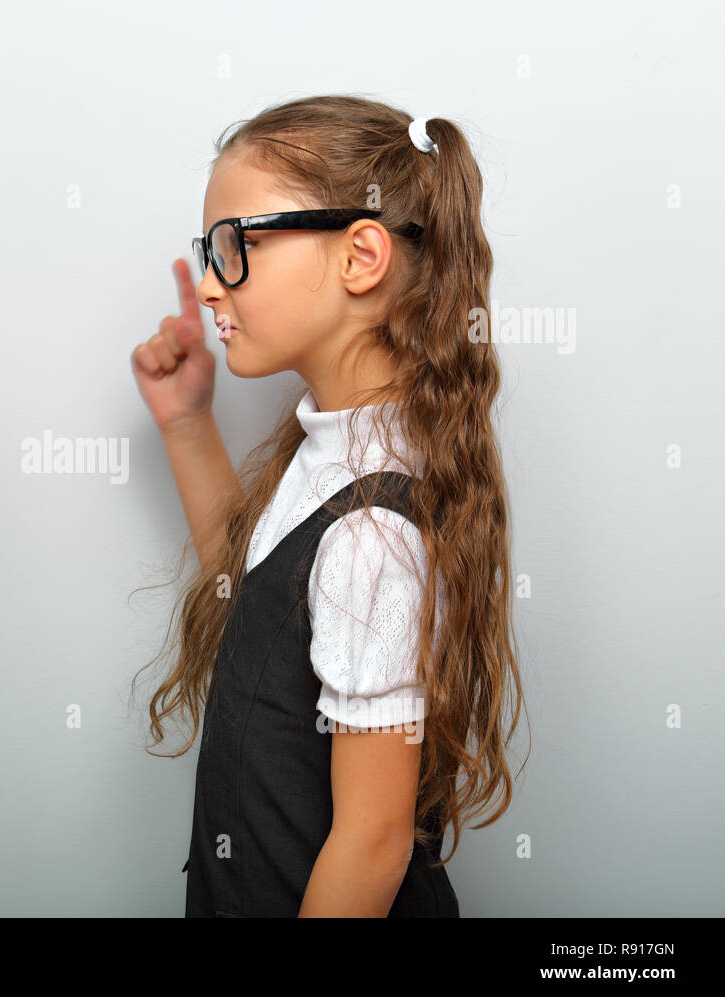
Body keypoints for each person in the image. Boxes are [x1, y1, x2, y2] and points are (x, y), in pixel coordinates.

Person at [131, 95, 526, 916]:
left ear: (360, 256)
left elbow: (372, 846)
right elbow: (259, 603)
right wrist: (186, 422)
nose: (209, 284)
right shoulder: (332, 452)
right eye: (208, 251)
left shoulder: (374, 527)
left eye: (236, 245)